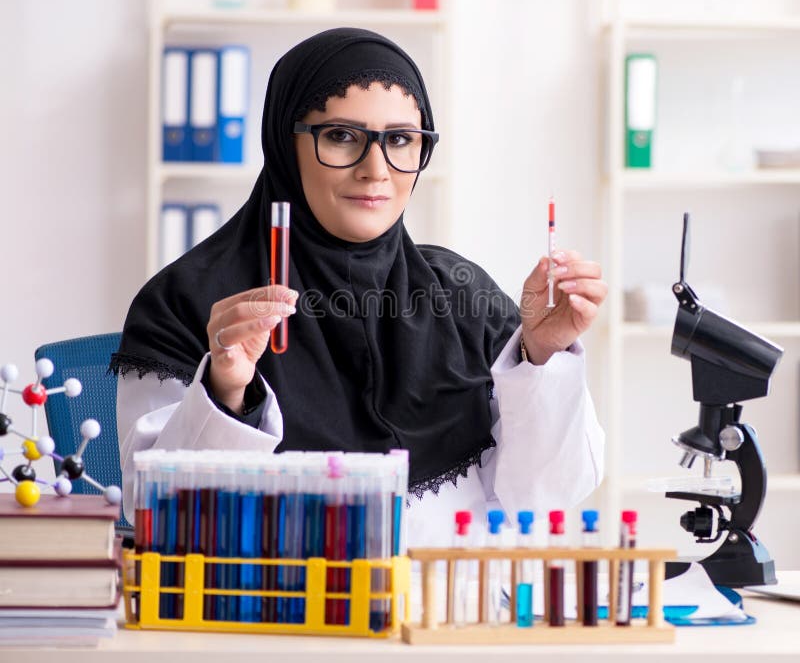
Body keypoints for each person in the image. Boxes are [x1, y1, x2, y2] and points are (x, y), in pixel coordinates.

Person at [112, 27, 606, 546]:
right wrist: (227, 392)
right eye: (342, 136)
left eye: (400, 140)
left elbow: (546, 494)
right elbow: (158, 516)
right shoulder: (189, 301)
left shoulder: (463, 295)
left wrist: (542, 355)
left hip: (445, 610)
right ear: (286, 143)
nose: (376, 170)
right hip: (278, 613)